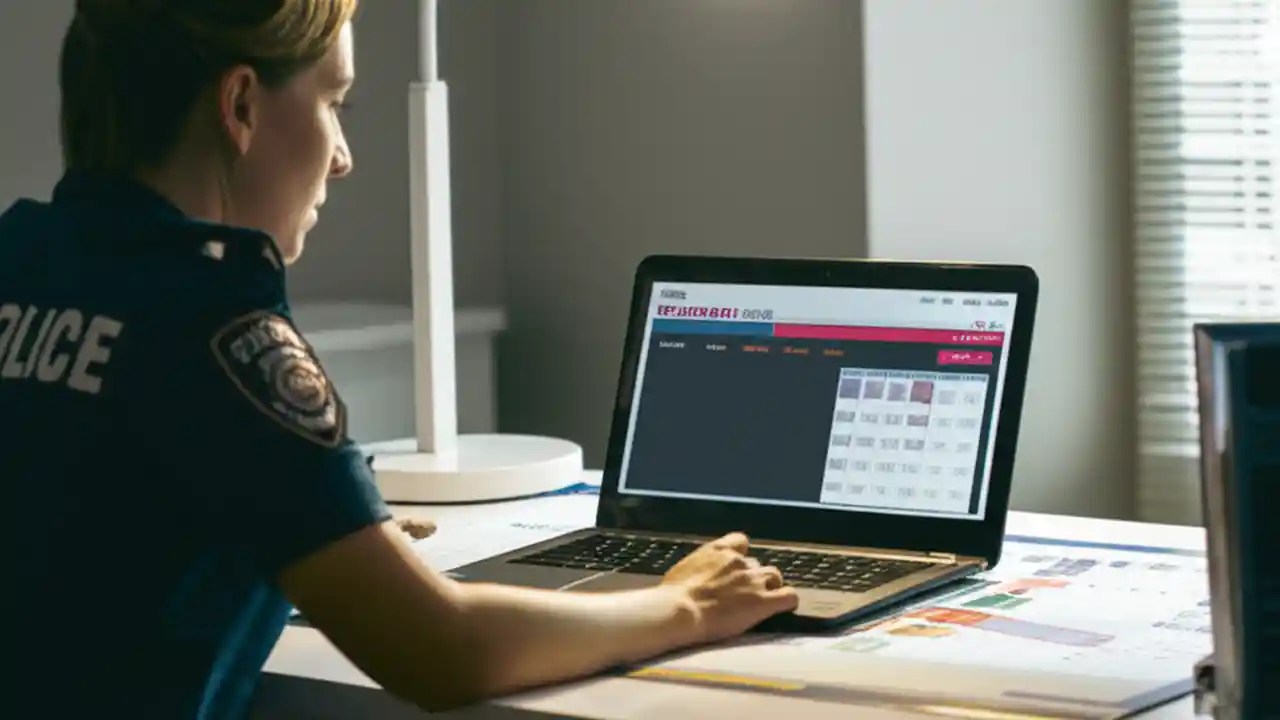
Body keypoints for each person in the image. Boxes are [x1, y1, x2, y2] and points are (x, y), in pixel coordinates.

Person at [0, 1, 799, 717]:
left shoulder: (19, 256)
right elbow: (443, 650)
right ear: (241, 104)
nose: (342, 155)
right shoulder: (221, 335)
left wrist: (336, 531)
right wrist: (685, 605)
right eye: (332, 101)